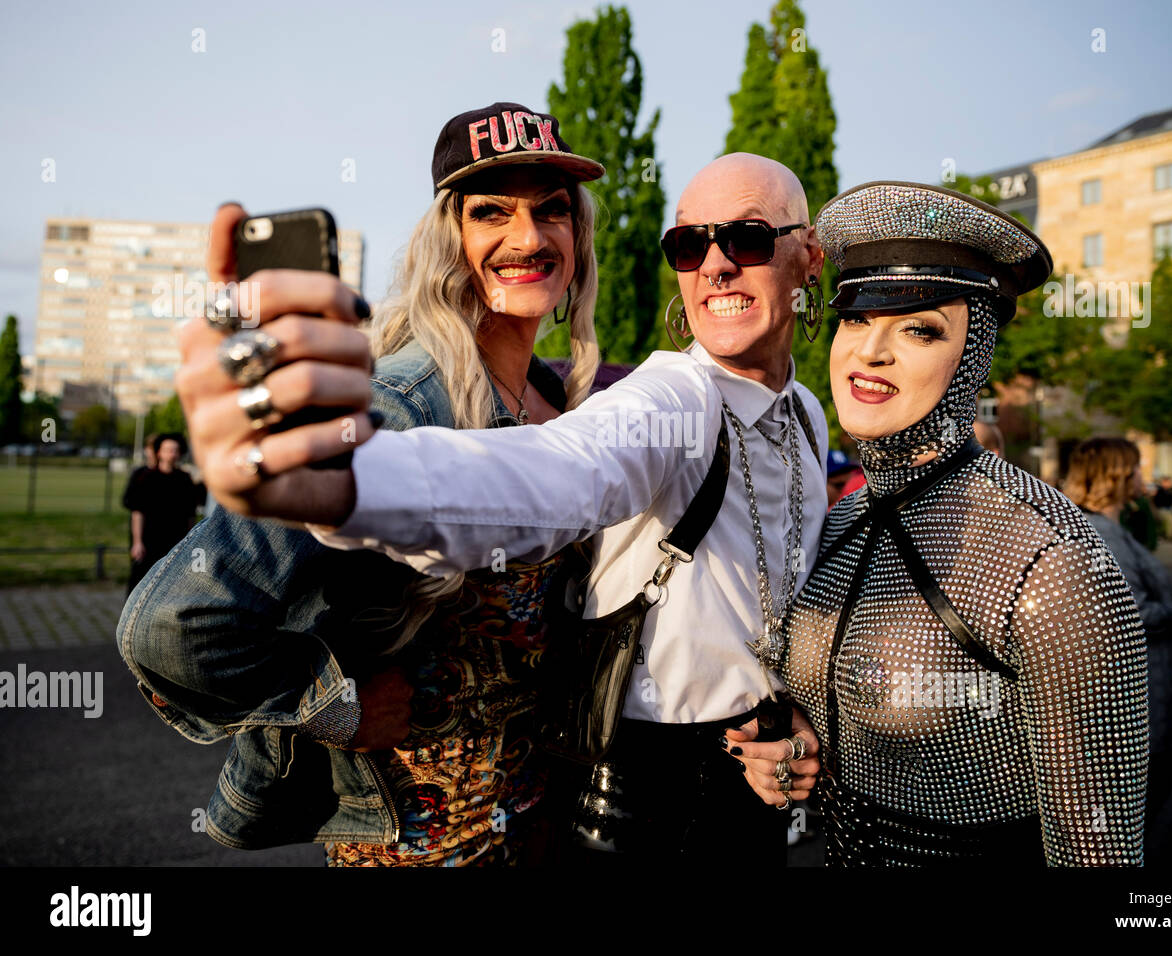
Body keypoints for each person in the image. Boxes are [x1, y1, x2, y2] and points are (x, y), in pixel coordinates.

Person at [169, 152, 830, 866]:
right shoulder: (672, 399)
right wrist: (347, 479)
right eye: (690, 244)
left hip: (588, 809)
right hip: (609, 812)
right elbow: (552, 477)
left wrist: (785, 722)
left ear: (809, 257)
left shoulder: (804, 417)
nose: (717, 265)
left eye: (750, 239)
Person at [118, 102, 605, 865]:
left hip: (544, 825)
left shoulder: (568, 404)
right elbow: (173, 626)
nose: (529, 238)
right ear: (450, 239)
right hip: (416, 848)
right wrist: (336, 706)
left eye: (552, 211)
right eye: (491, 213)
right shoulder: (400, 405)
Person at [734, 181, 1148, 866]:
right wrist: (799, 752)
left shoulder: (1052, 558)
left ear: (972, 359)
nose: (870, 351)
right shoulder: (836, 526)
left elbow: (1096, 854)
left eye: (919, 328)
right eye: (857, 319)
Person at [1063, 438, 1172, 838]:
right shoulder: (1103, 533)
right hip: (1141, 693)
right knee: (1129, 819)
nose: (1142, 476)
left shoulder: (1108, 528)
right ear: (1115, 475)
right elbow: (1127, 612)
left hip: (1149, 687)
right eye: (1135, 468)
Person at [122, 432, 204, 593]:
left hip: (175, 538)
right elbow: (137, 512)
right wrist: (137, 542)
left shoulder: (185, 479)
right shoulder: (145, 478)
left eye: (175, 450)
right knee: (140, 581)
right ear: (159, 452)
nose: (172, 454)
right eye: (168, 450)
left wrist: (190, 541)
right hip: (150, 538)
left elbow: (190, 514)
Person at [1152, 476, 1172, 540]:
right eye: (1167, 482)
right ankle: (1161, 534)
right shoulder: (1159, 491)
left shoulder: (1171, 491)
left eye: (1169, 483)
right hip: (1161, 509)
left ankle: (1170, 536)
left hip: (1169, 509)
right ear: (1163, 483)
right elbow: (1156, 502)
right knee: (1167, 518)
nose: (1169, 484)